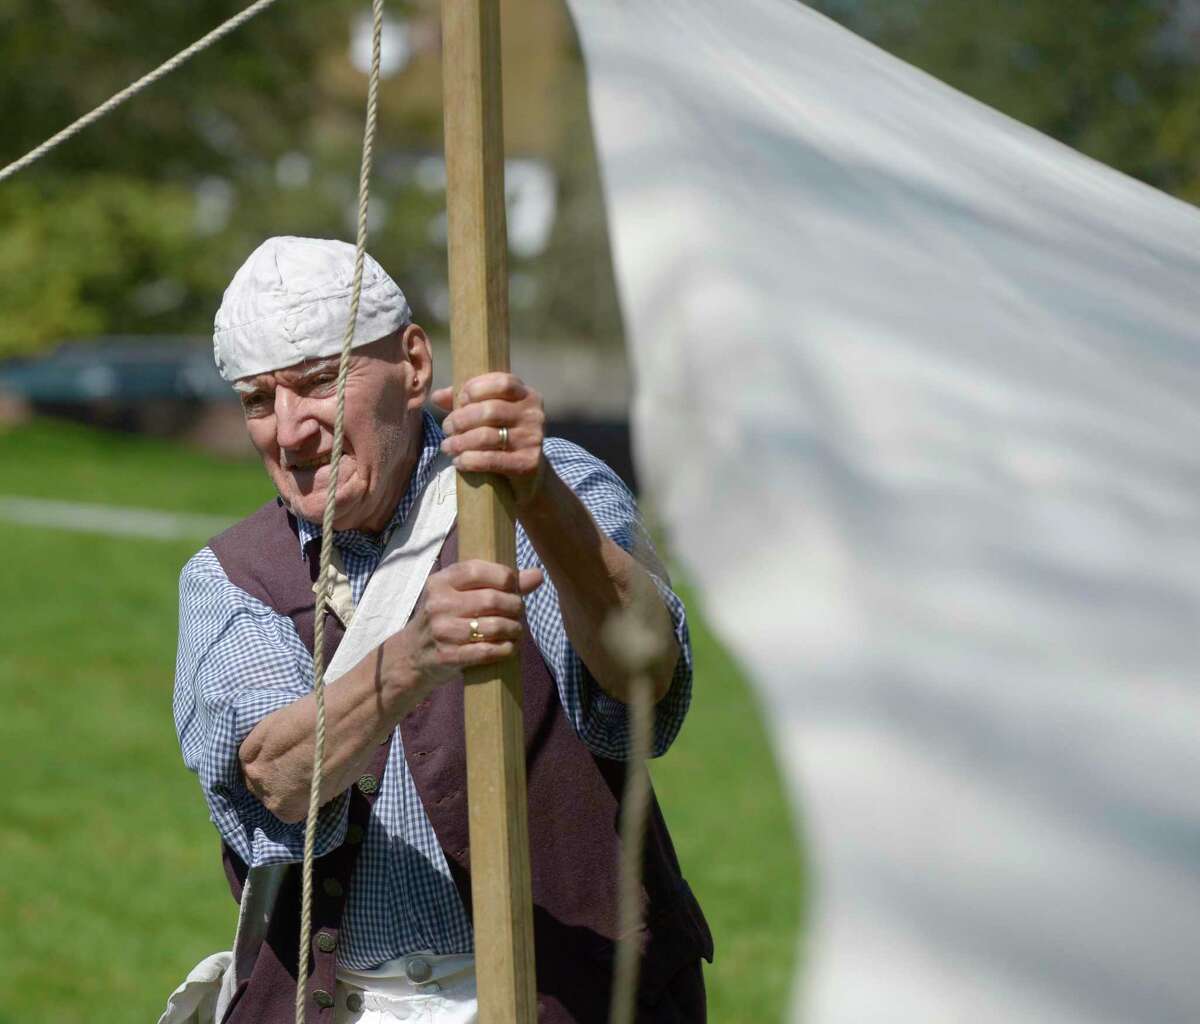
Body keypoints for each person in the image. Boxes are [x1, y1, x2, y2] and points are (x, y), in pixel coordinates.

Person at [173, 236, 712, 1024]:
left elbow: (645, 678)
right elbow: (279, 780)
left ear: (415, 366)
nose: (288, 432)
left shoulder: (542, 492)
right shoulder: (230, 577)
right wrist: (411, 656)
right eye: (259, 401)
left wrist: (537, 497)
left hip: (570, 995)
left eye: (319, 383)